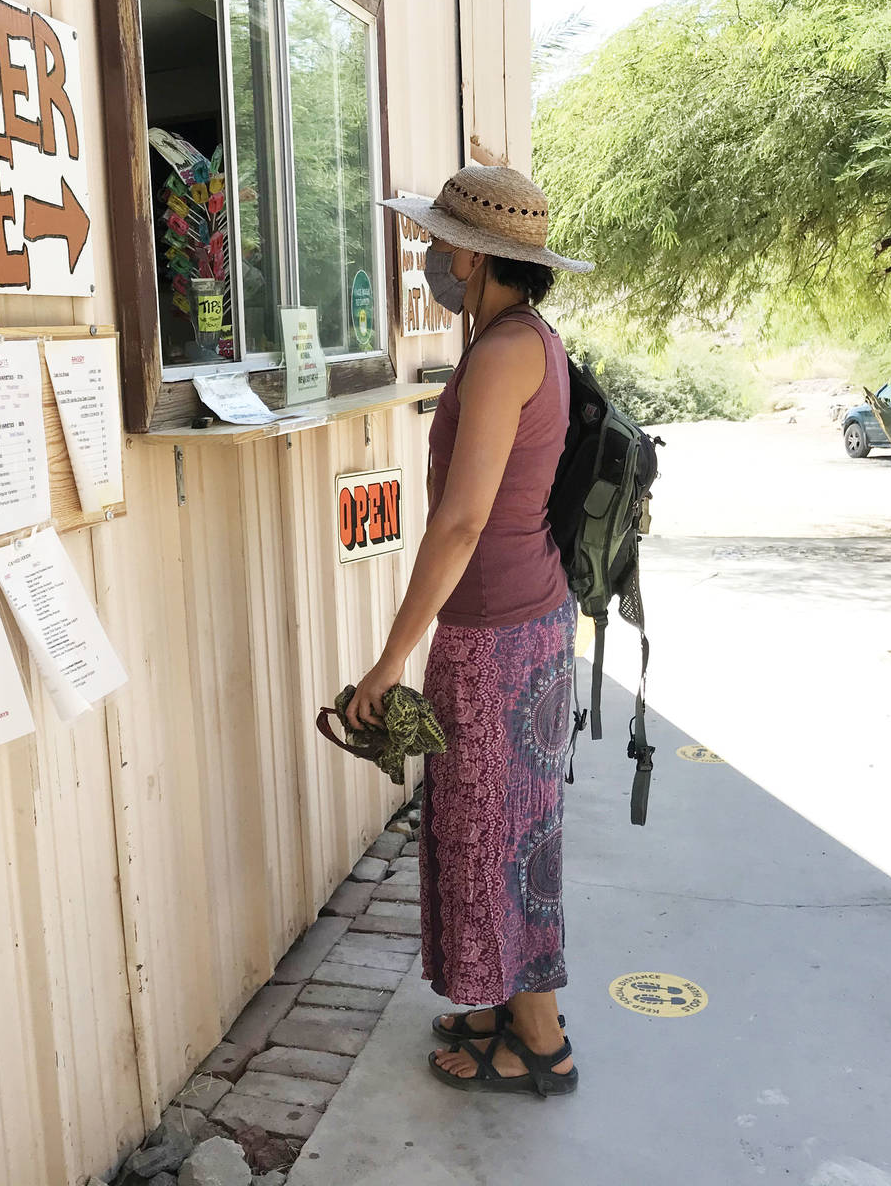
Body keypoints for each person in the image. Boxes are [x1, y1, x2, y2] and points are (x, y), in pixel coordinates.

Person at [348, 165, 593, 1096]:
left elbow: (459, 522)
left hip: (497, 631)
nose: (431, 258)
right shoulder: (524, 337)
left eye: (441, 245)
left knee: (501, 829)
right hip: (511, 621)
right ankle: (495, 1004)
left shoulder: (500, 355)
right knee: (486, 822)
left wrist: (391, 658)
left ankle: (540, 1041)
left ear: (477, 257)